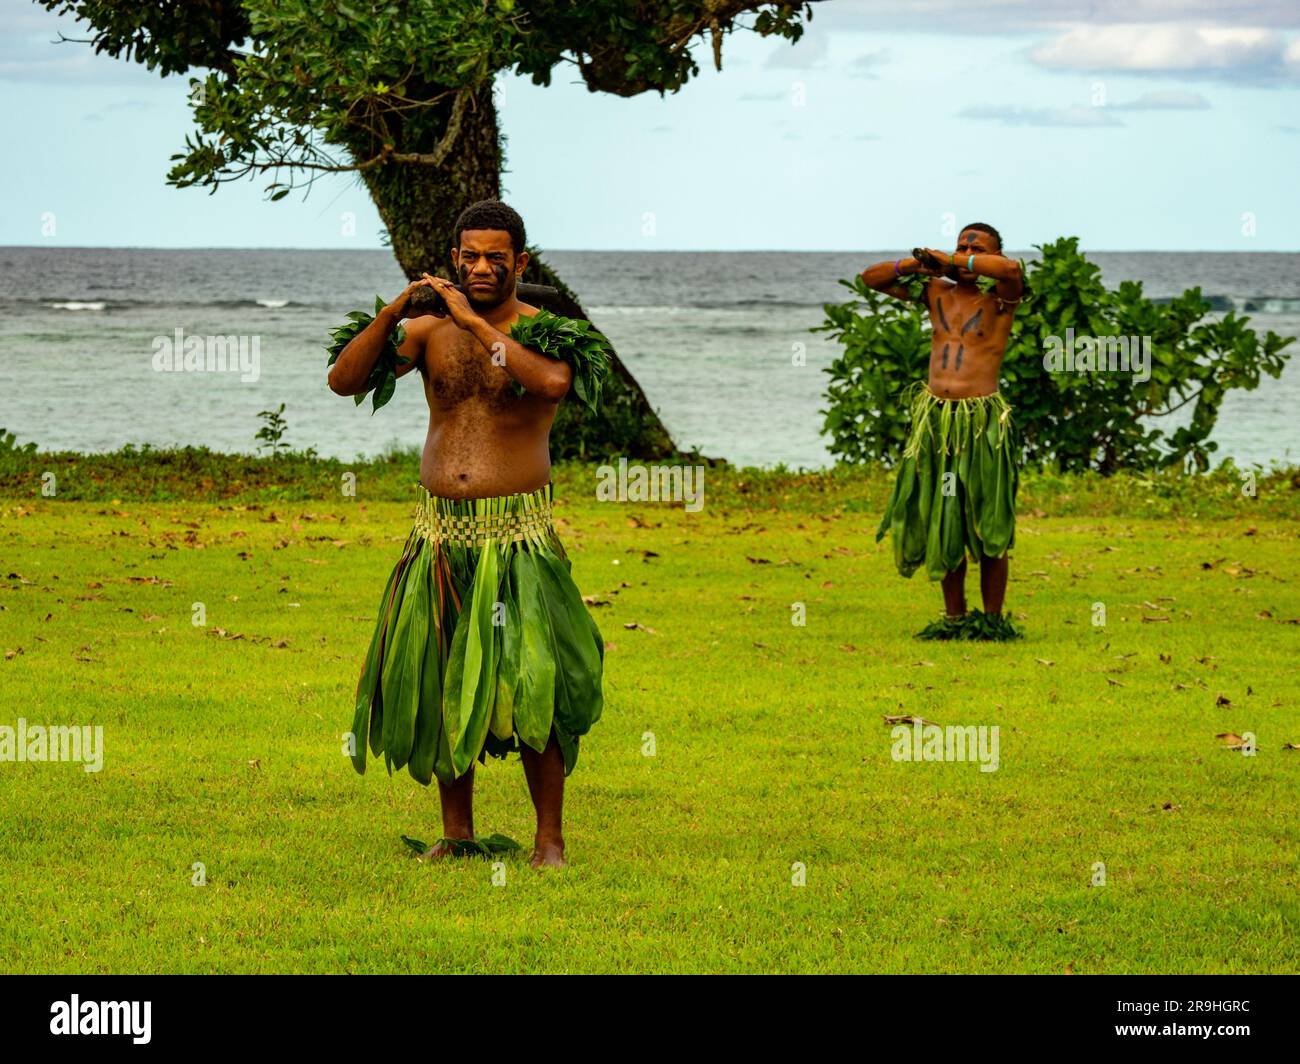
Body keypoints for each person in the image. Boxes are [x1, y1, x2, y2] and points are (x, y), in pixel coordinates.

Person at [329, 199, 606, 866]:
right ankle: (456, 833)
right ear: (454, 259)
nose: (482, 267)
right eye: (470, 256)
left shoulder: (549, 334)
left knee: (534, 680)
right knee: (442, 674)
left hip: (517, 538)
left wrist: (473, 323)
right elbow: (343, 380)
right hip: (440, 535)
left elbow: (549, 386)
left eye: (496, 257)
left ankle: (549, 840)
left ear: (521, 263)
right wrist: (396, 310)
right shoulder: (425, 334)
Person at [860, 223, 1025, 640]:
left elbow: (1010, 269)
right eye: (962, 244)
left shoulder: (1002, 299)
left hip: (982, 423)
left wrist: (949, 259)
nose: (968, 250)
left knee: (990, 519)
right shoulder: (935, 293)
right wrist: (918, 264)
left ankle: (992, 620)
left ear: (991, 254)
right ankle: (954, 618)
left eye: (977, 247)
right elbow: (871, 278)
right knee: (945, 514)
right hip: (936, 421)